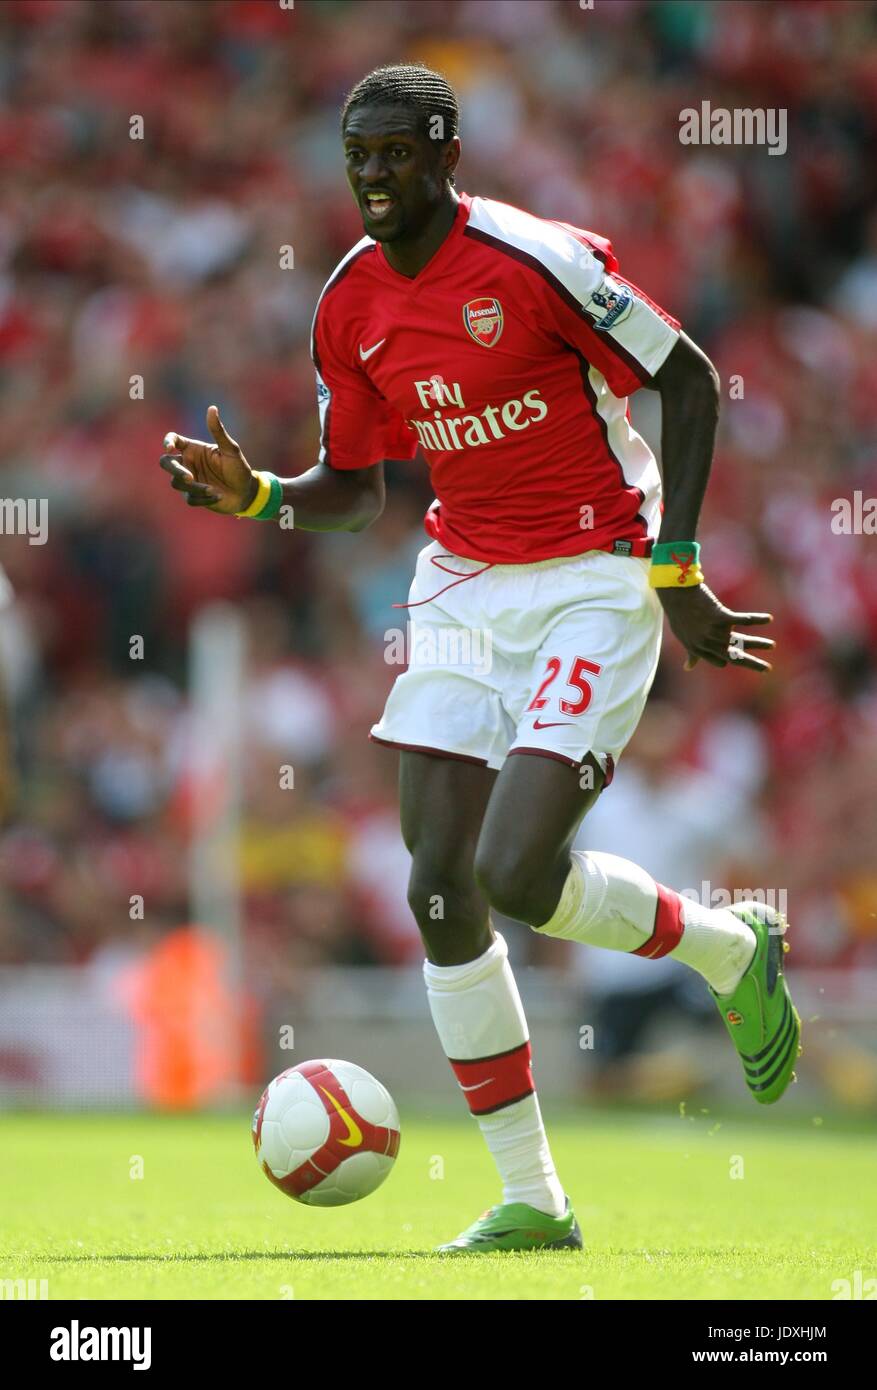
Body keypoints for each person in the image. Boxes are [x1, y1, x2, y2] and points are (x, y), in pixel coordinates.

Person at [159, 64, 800, 1254]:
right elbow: (354, 494)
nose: (372, 178)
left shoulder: (533, 260)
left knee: (515, 869)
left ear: (446, 156)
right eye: (358, 158)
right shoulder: (348, 303)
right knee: (438, 883)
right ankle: (534, 1200)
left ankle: (726, 945)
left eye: (396, 155)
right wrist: (257, 499)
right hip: (461, 582)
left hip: (595, 574)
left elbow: (689, 378)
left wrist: (678, 569)